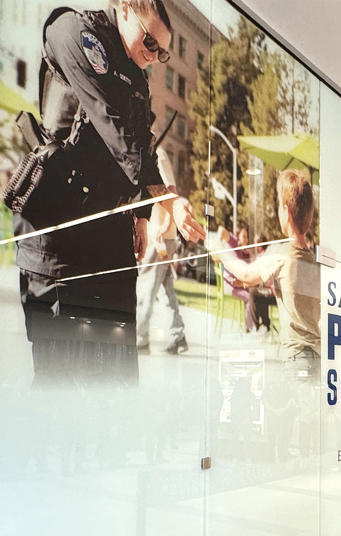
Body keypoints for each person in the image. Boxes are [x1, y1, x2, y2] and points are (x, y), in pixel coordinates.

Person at [13, 0, 204, 384]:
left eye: (161, 52)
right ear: (125, 8)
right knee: (60, 383)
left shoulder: (136, 78)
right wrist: (168, 200)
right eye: (150, 42)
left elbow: (143, 148)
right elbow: (112, 125)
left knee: (117, 381)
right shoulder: (73, 32)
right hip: (58, 241)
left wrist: (142, 214)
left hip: (107, 242)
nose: (153, 56)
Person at [210, 169, 320, 372]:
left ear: (286, 212)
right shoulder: (313, 260)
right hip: (318, 357)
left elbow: (245, 273)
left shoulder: (281, 253)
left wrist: (222, 253)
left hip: (296, 356)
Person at [135, 145, 189, 355]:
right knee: (166, 290)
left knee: (147, 285)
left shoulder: (158, 154)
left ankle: (140, 338)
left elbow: (170, 193)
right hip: (164, 236)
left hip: (160, 237)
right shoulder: (155, 152)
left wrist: (164, 227)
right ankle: (178, 336)